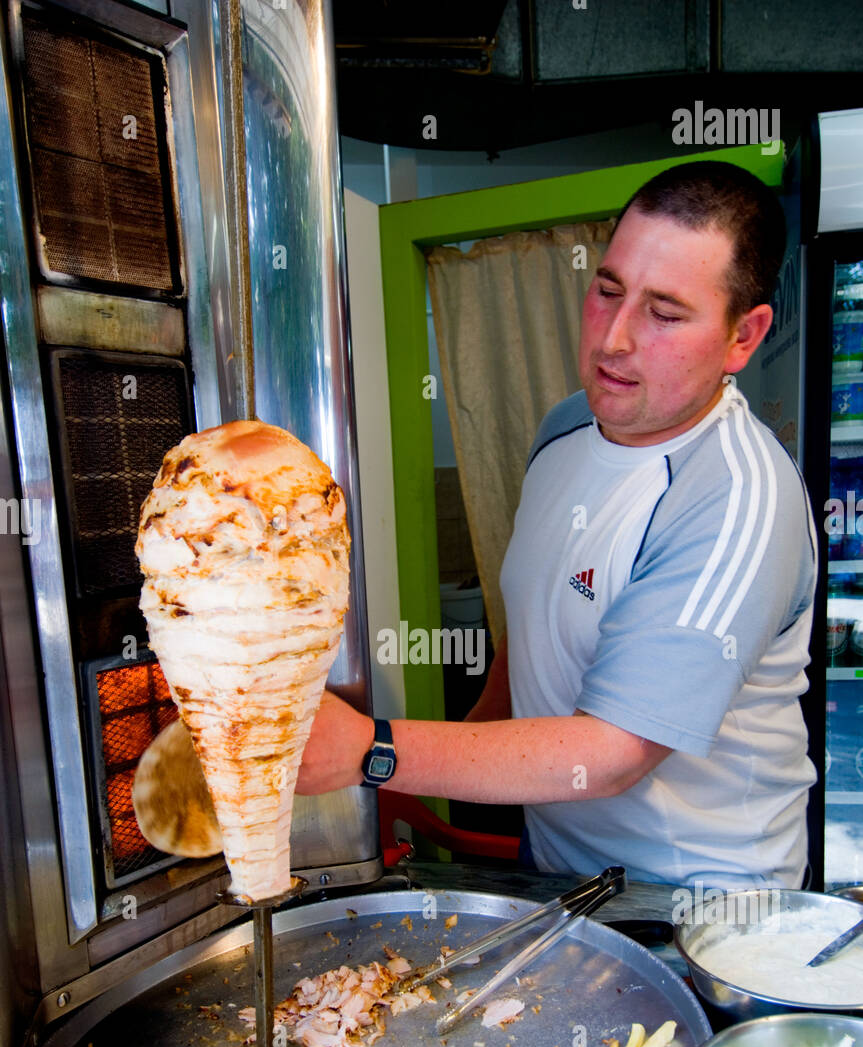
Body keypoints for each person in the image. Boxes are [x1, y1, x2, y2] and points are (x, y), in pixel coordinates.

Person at [298, 160, 817, 889]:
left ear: (743, 336)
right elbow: (540, 612)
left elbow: (614, 752)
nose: (612, 340)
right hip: (563, 874)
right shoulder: (567, 426)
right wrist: (452, 750)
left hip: (694, 903)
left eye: (664, 314)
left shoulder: (736, 500)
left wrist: (374, 750)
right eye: (607, 291)